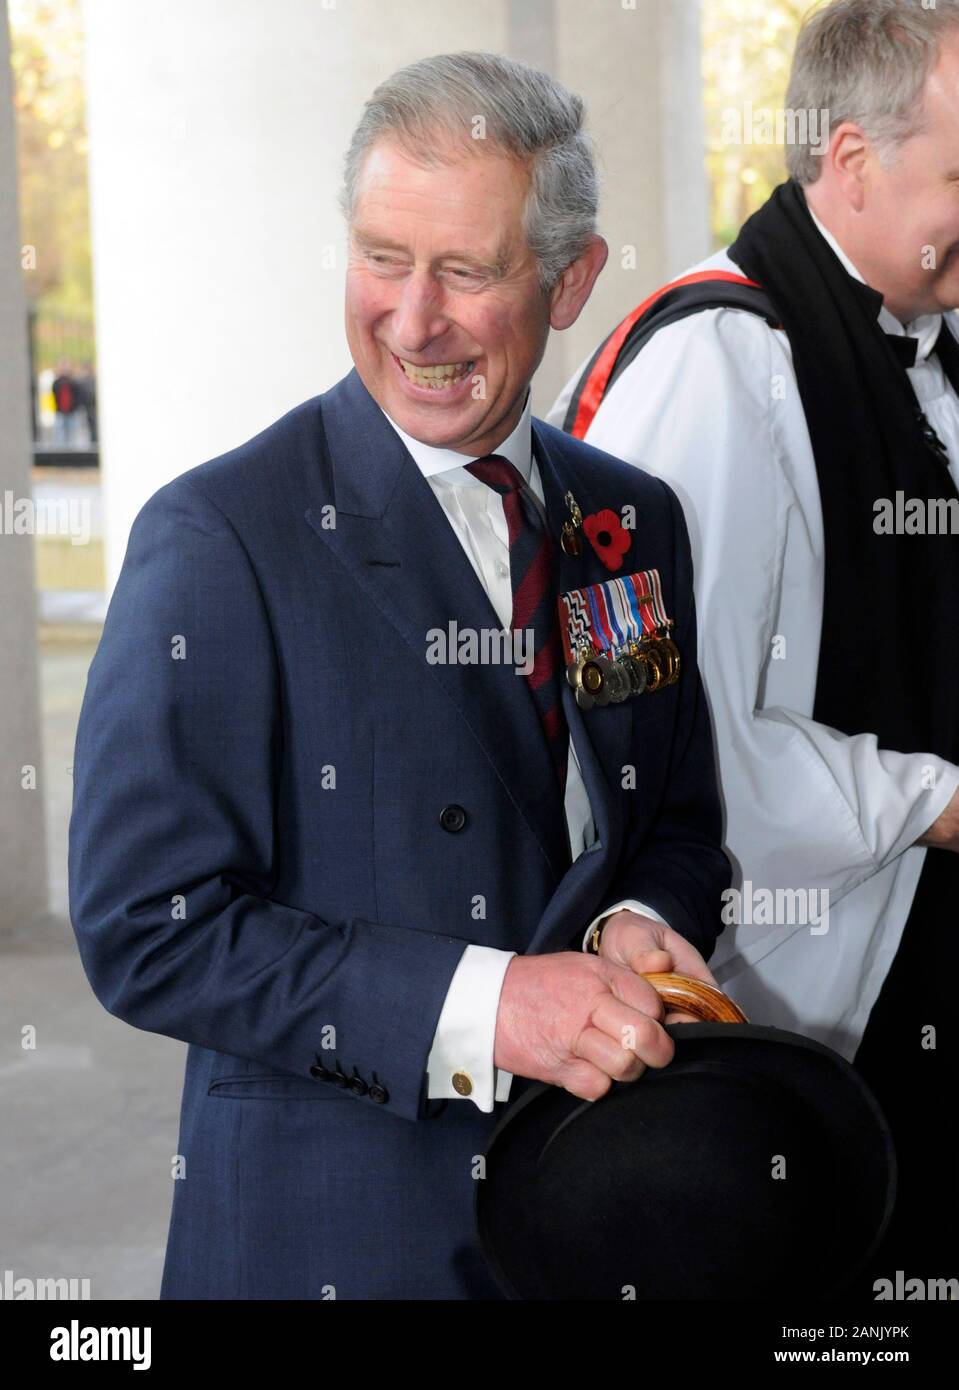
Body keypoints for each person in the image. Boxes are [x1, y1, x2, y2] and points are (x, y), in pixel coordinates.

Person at [68, 51, 729, 1301]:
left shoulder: (628, 521)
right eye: (381, 257)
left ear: (571, 278)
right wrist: (493, 1008)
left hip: (598, 1218)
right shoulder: (221, 539)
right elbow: (145, 927)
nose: (411, 321)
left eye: (465, 272)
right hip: (340, 1245)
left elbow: (673, 821)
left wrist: (639, 922)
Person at [548, 0, 959, 1285]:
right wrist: (943, 801)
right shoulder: (719, 364)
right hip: (777, 976)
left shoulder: (923, 349)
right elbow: (688, 746)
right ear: (849, 161)